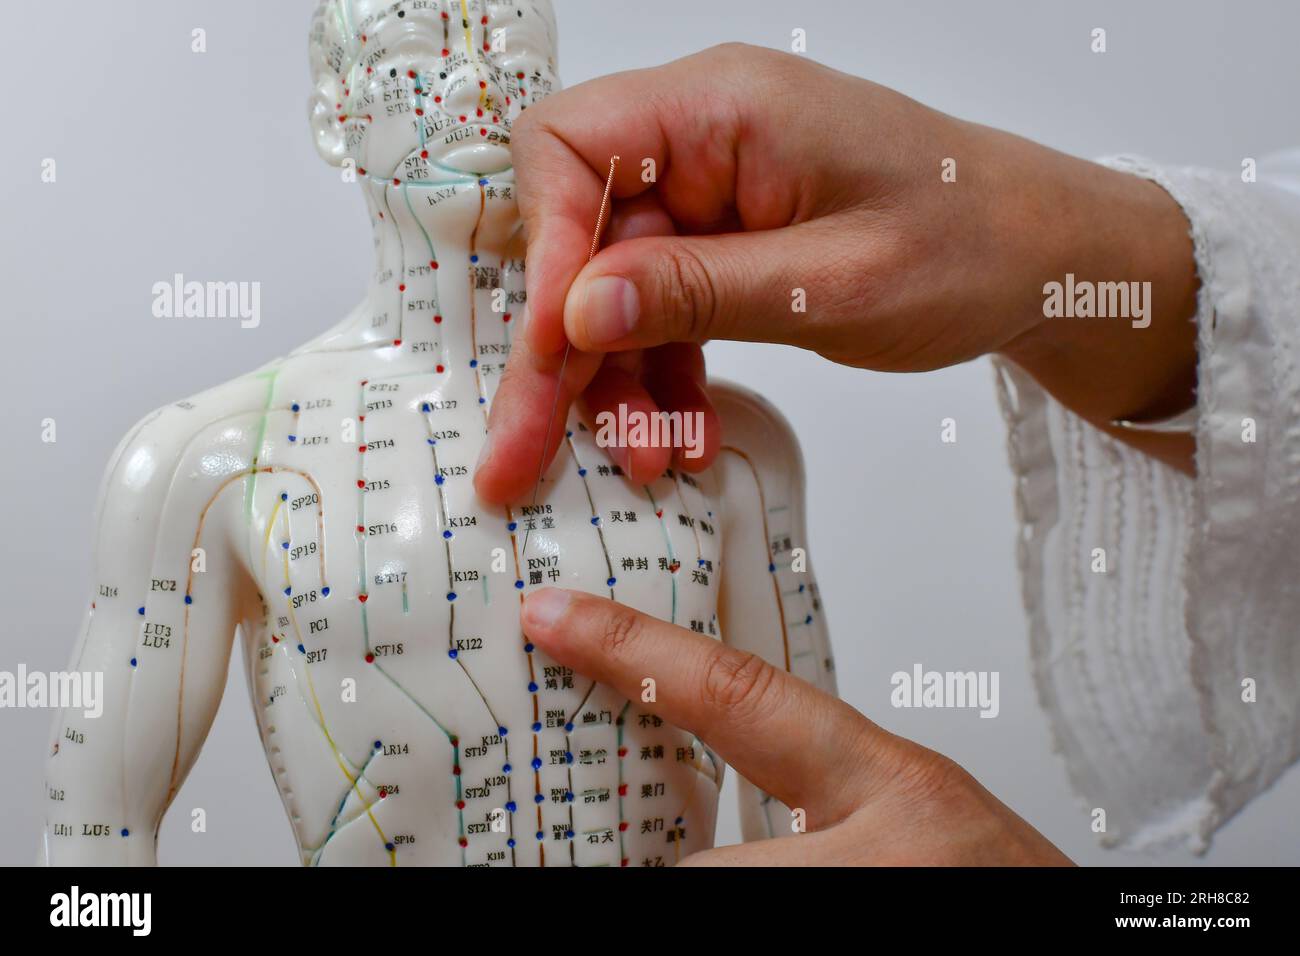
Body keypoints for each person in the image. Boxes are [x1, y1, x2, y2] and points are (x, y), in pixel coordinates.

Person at [475, 43, 1300, 862]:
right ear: (337, 119)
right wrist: (1033, 229)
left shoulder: (741, 458)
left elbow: (796, 798)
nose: (468, 90)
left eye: (504, 56)